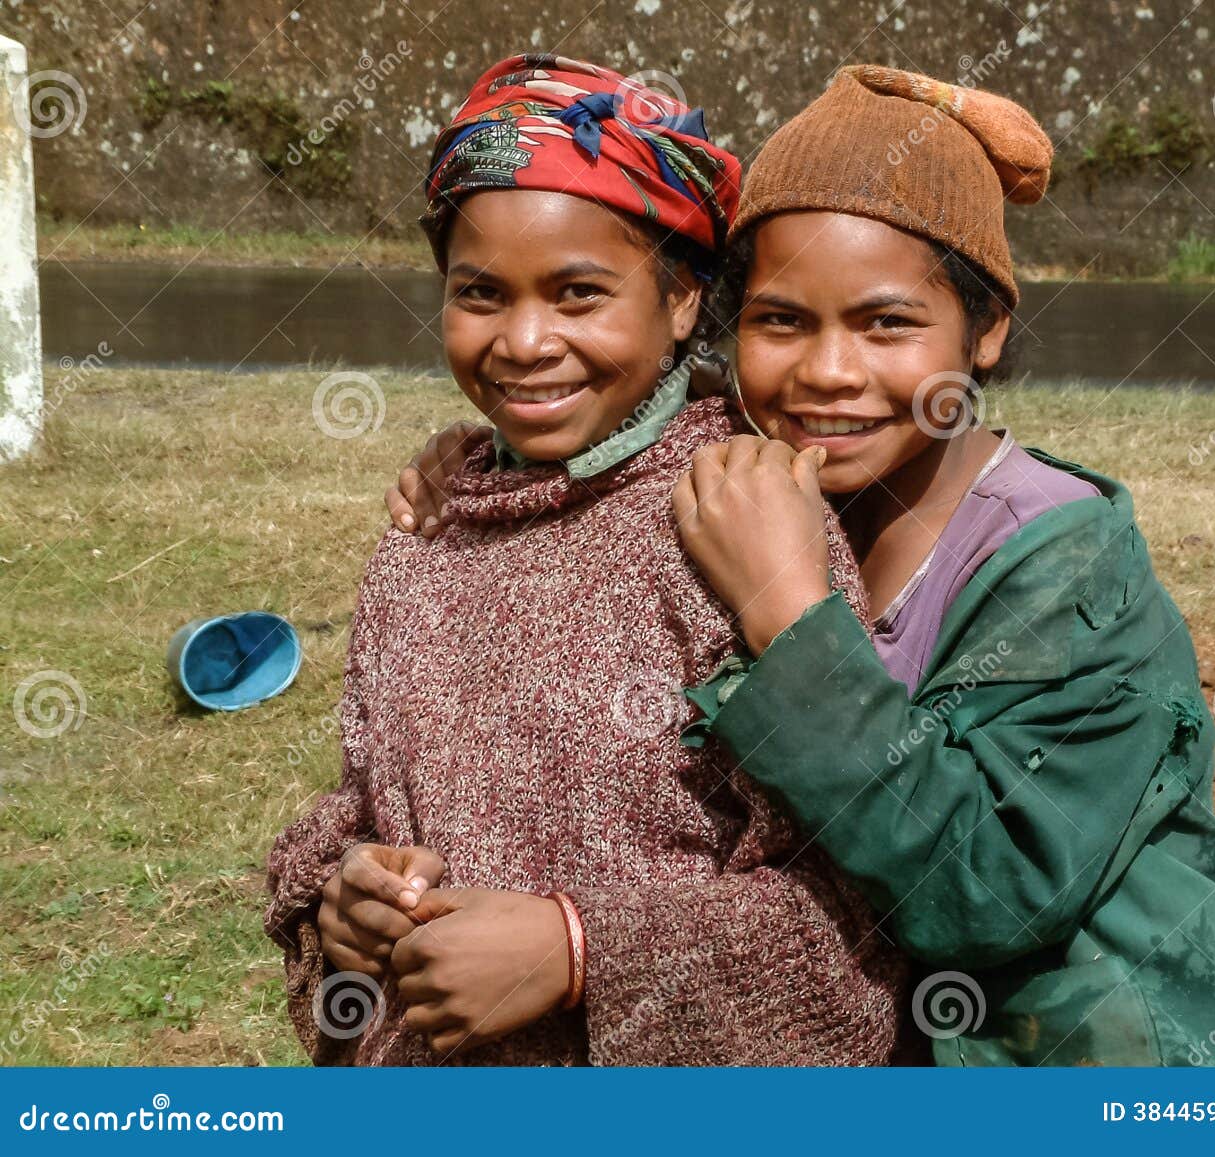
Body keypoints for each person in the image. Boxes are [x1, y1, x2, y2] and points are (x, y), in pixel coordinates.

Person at [386, 66, 1215, 1067]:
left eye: (886, 323)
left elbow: (986, 889)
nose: (827, 373)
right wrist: (490, 463)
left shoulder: (1061, 569)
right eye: (780, 320)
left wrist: (790, 614)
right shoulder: (760, 481)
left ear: (987, 328)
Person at [264, 53, 903, 1067]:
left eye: (577, 293)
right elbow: (368, 799)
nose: (523, 340)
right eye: (480, 292)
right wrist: (347, 897)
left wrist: (581, 950)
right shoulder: (429, 537)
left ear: (684, 300)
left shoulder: (739, 522)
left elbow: (850, 914)